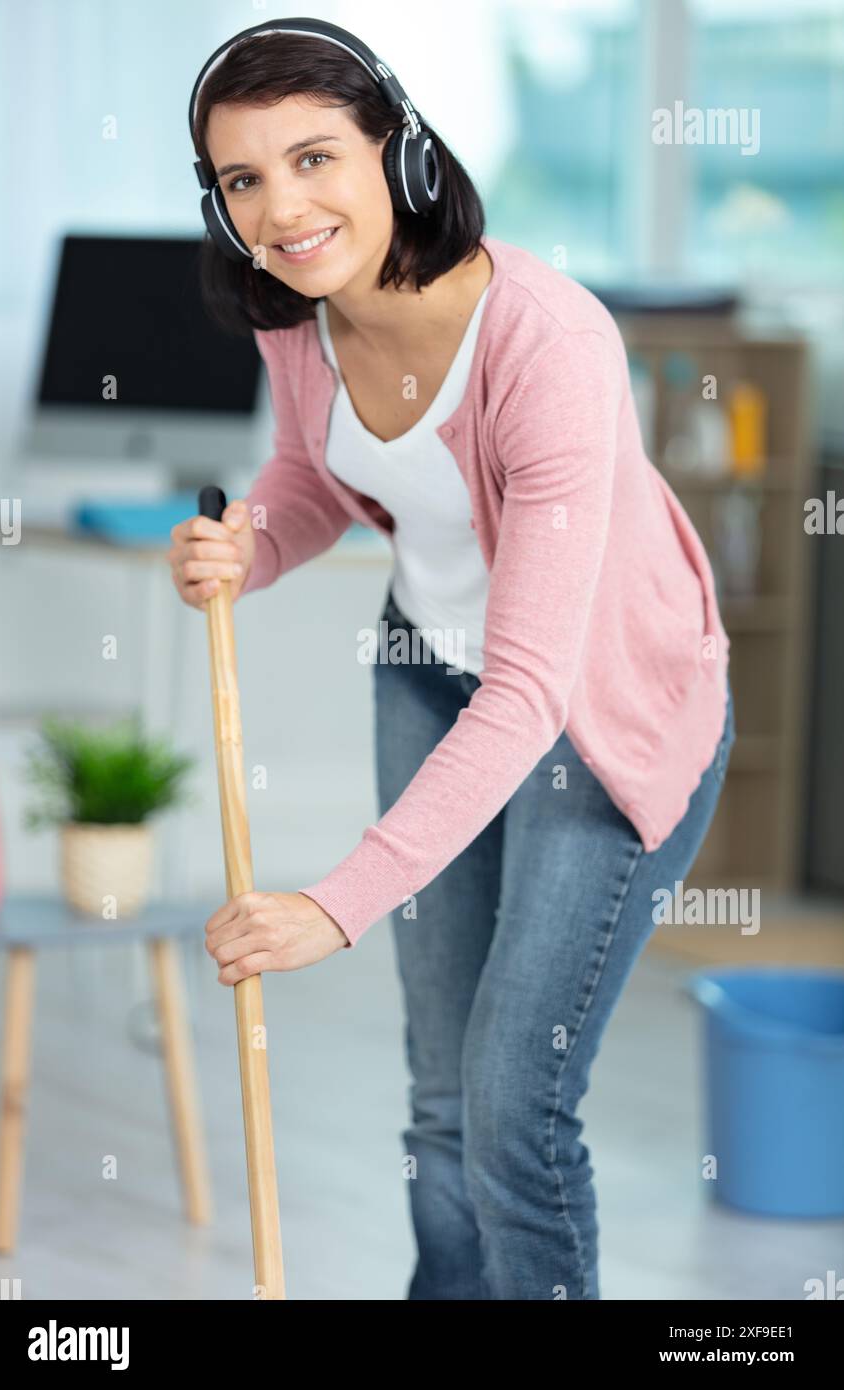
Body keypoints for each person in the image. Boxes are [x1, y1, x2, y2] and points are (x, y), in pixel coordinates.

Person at [166, 26, 736, 1300]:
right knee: (438, 1099)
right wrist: (244, 548)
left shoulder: (544, 343)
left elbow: (530, 692)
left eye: (314, 157)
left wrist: (335, 901)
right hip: (428, 673)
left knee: (508, 1102)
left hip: (599, 716)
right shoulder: (296, 314)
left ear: (396, 147)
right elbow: (314, 477)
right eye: (242, 180)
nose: (283, 208)